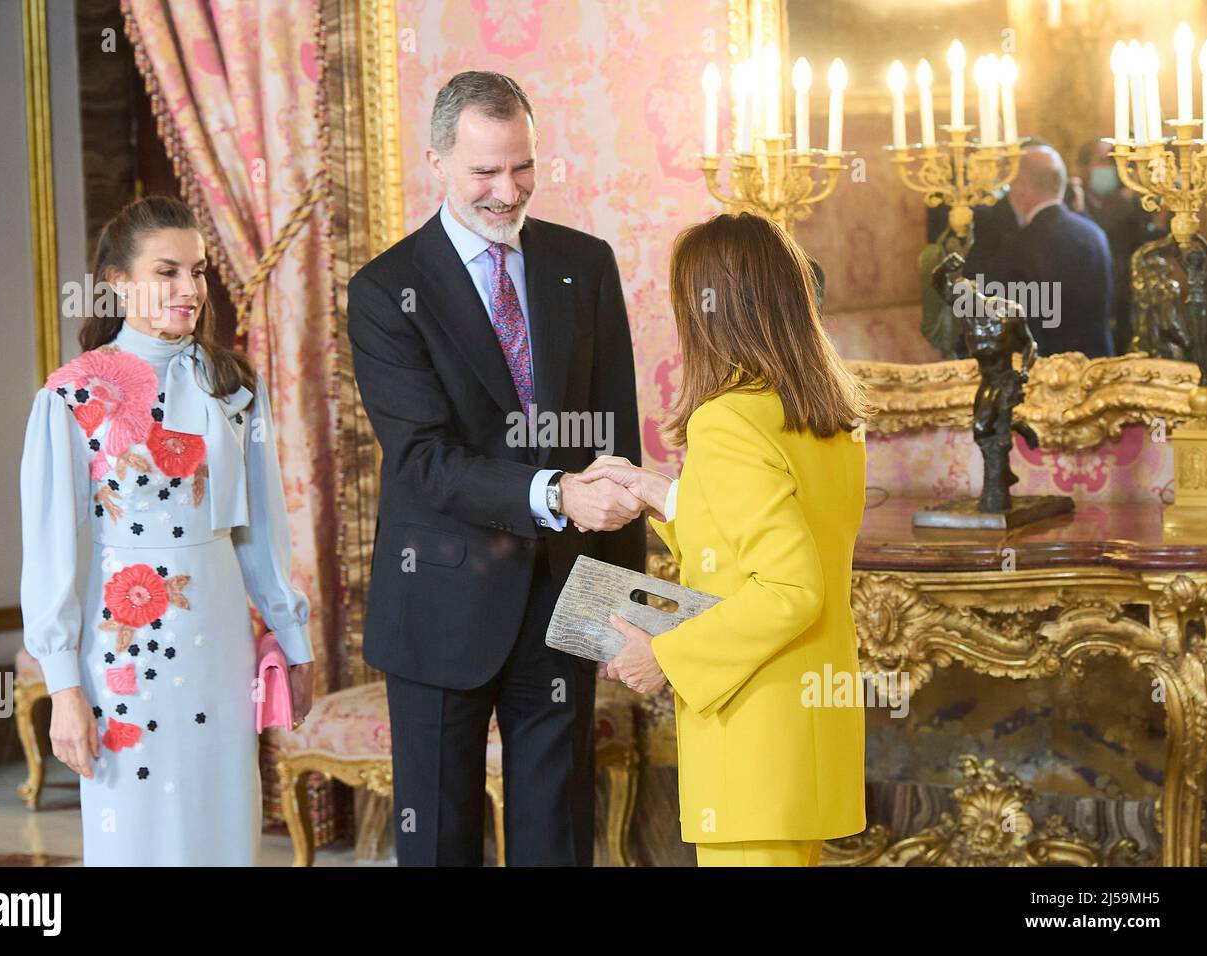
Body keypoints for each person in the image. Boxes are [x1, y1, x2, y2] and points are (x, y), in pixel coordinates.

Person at [346, 71, 645, 866]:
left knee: (559, 840)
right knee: (441, 843)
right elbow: (423, 460)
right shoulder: (385, 290)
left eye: (522, 167)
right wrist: (553, 492)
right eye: (484, 171)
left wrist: (626, 606)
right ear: (437, 162)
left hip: (563, 604)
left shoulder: (585, 265)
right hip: (439, 606)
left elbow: (616, 445)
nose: (507, 191)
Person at [19, 196, 314, 865]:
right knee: (138, 832)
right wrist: (65, 690)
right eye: (167, 272)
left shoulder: (234, 384)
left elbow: (261, 531)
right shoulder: (71, 396)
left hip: (222, 644)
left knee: (224, 826)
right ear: (118, 282)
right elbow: (51, 556)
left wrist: (291, 641)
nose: (189, 290)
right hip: (125, 648)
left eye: (199, 271)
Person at [575, 211, 870, 867]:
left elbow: (791, 590)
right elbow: (774, 539)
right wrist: (665, 494)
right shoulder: (825, 413)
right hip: (802, 737)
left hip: (752, 739)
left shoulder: (727, 420)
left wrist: (666, 657)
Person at [961, 143, 1115, 357]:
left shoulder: (1019, 246)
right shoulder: (1094, 233)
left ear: (1021, 186)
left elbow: (1007, 324)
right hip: (1099, 364)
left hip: (1052, 375)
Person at [1073, 137, 1167, 351]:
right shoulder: (1073, 205)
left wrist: (1159, 215)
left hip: (1125, 304)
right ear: (1084, 168)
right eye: (1104, 161)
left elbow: (1150, 243)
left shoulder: (1130, 204)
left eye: (1115, 162)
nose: (1111, 169)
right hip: (1089, 306)